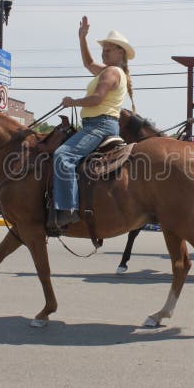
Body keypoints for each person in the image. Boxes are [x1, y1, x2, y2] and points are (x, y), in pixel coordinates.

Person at [50, 16, 135, 231]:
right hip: (99, 124)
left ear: (120, 53)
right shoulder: (110, 71)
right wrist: (82, 38)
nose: (104, 51)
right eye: (104, 48)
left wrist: (73, 102)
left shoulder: (112, 72)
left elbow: (97, 99)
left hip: (99, 125)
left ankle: (68, 209)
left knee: (63, 156)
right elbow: (88, 63)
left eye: (109, 49)